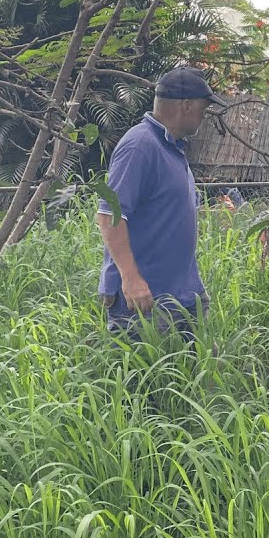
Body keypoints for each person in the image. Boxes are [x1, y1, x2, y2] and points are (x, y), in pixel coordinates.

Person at [96, 66, 227, 341]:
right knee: (147, 370)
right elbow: (109, 216)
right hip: (146, 300)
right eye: (203, 108)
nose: (204, 116)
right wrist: (131, 280)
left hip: (184, 293)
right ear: (186, 106)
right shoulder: (140, 146)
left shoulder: (171, 147)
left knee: (200, 366)